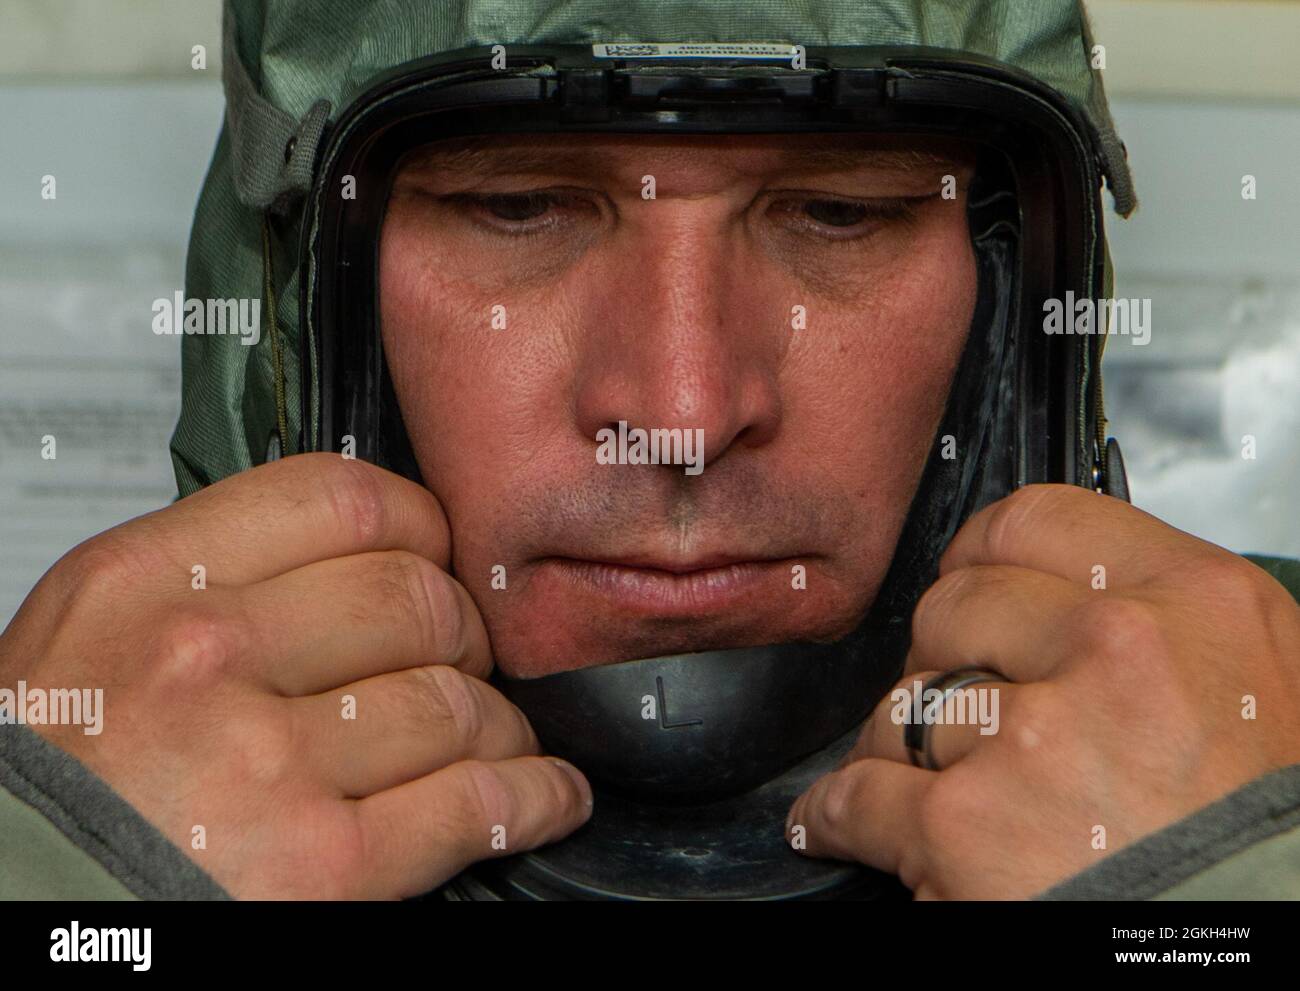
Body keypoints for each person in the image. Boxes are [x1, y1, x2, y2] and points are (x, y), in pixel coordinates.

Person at [1, 0, 1298, 901]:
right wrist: (71, 884)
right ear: (301, 293)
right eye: (516, 205)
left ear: (1010, 289)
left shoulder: (1270, 746)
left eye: (842, 213)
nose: (679, 409)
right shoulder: (53, 783)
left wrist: (1220, 894)